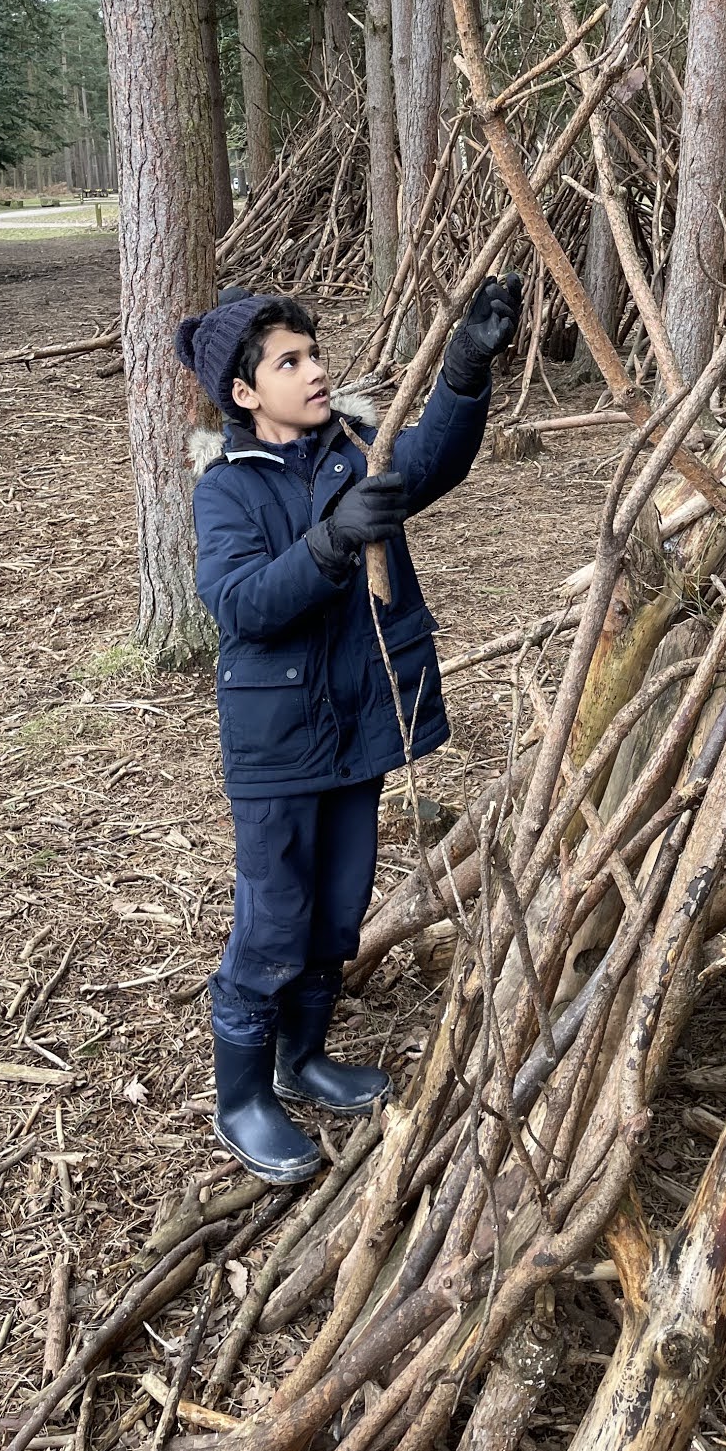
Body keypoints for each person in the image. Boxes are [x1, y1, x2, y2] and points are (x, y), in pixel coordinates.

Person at [175, 275, 522, 1182]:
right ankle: (244, 1095)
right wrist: (331, 544)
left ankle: (303, 1057)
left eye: (314, 353)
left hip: (359, 727)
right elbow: (241, 605)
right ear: (247, 394)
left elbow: (435, 460)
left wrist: (464, 371)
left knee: (337, 911)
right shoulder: (227, 491)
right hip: (279, 746)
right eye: (290, 362)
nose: (314, 370)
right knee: (275, 922)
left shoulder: (354, 451)